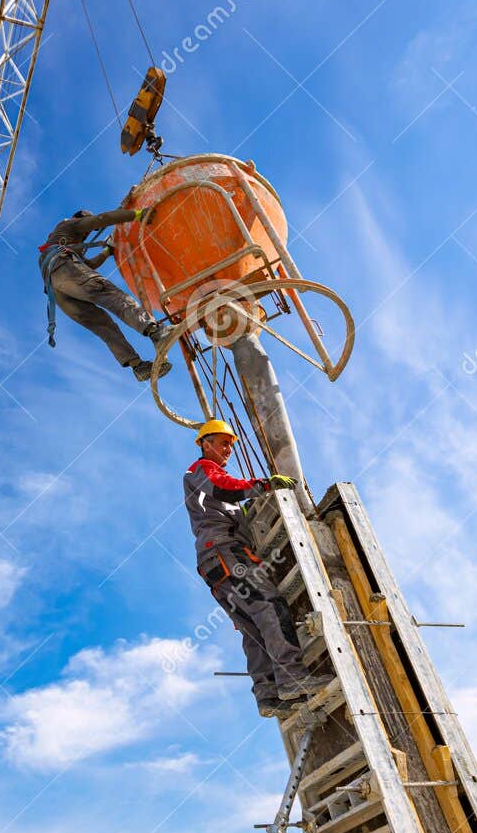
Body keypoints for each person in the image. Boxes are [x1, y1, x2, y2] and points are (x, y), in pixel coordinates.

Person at [183, 419, 320, 718]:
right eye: (222, 443)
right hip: (224, 553)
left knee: (252, 627)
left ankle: (268, 694)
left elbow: (228, 496)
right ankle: (293, 679)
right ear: (205, 443)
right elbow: (225, 487)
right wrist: (263, 484)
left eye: (231, 444)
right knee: (269, 607)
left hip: (215, 563)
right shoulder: (202, 470)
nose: (228, 449)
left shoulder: (209, 486)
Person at [39, 207, 173, 381]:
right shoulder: (70, 225)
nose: (88, 233)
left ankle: (138, 366)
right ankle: (155, 332)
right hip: (64, 270)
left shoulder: (64, 243)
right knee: (111, 294)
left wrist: (107, 252)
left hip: (58, 291)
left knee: (104, 326)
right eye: (87, 228)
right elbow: (101, 219)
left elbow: (89, 265)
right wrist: (137, 214)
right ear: (78, 218)